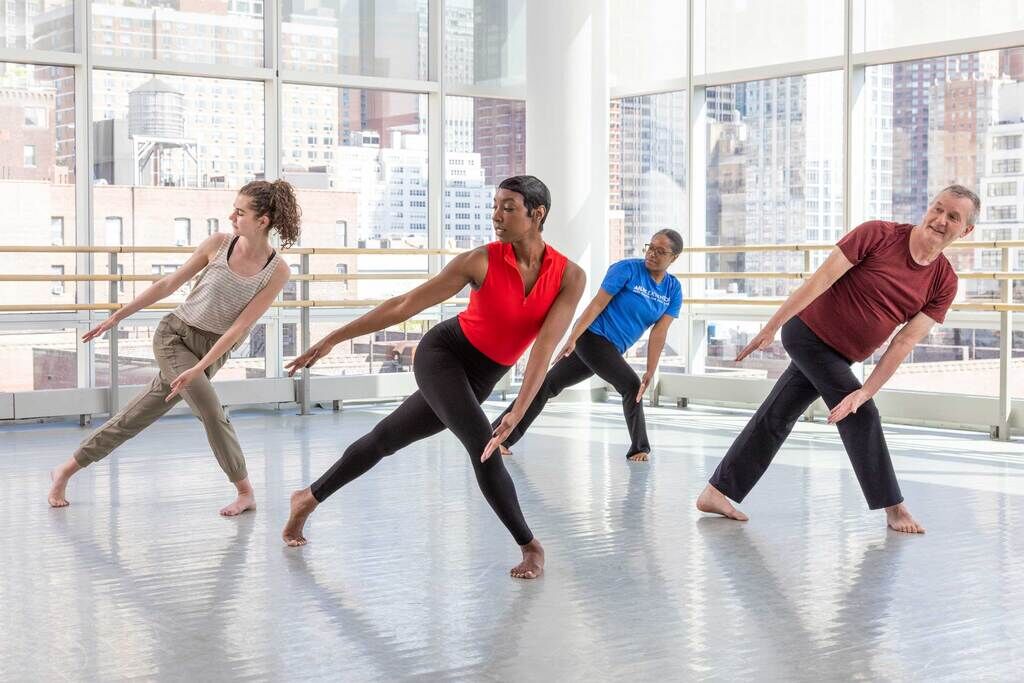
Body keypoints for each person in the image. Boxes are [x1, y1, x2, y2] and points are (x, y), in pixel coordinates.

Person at [281, 175, 585, 579]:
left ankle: (307, 497)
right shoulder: (481, 260)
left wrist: (518, 411)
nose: (496, 215)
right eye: (495, 206)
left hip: (482, 377)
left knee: (385, 439)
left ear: (537, 213)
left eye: (508, 207)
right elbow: (405, 305)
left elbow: (543, 349)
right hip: (443, 355)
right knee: (483, 444)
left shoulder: (569, 276)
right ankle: (531, 546)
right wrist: (335, 337)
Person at [696, 184, 979, 534]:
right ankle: (894, 507)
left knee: (778, 415)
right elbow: (820, 280)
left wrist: (867, 390)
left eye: (953, 216)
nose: (940, 219)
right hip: (806, 335)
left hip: (841, 356)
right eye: (937, 208)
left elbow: (905, 341)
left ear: (965, 230)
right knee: (861, 416)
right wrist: (772, 326)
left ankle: (716, 492)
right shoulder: (878, 234)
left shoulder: (944, 282)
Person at [47, 180, 299, 516]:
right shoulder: (218, 244)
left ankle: (65, 469)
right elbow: (168, 283)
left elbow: (241, 327)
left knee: (137, 415)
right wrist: (118, 316)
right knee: (210, 410)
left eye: (240, 212)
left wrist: (202, 366)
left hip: (212, 350)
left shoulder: (277, 271)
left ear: (263, 220)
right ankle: (245, 491)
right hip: (174, 338)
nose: (231, 217)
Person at [493, 229, 684, 462]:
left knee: (546, 386)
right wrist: (573, 336)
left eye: (660, 251)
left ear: (673, 258)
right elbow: (596, 305)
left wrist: (651, 369)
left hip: (611, 348)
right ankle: (639, 447)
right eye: (650, 247)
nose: (652, 254)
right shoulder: (627, 269)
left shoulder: (673, 289)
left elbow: (659, 332)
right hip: (591, 338)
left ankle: (496, 436)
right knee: (631, 386)